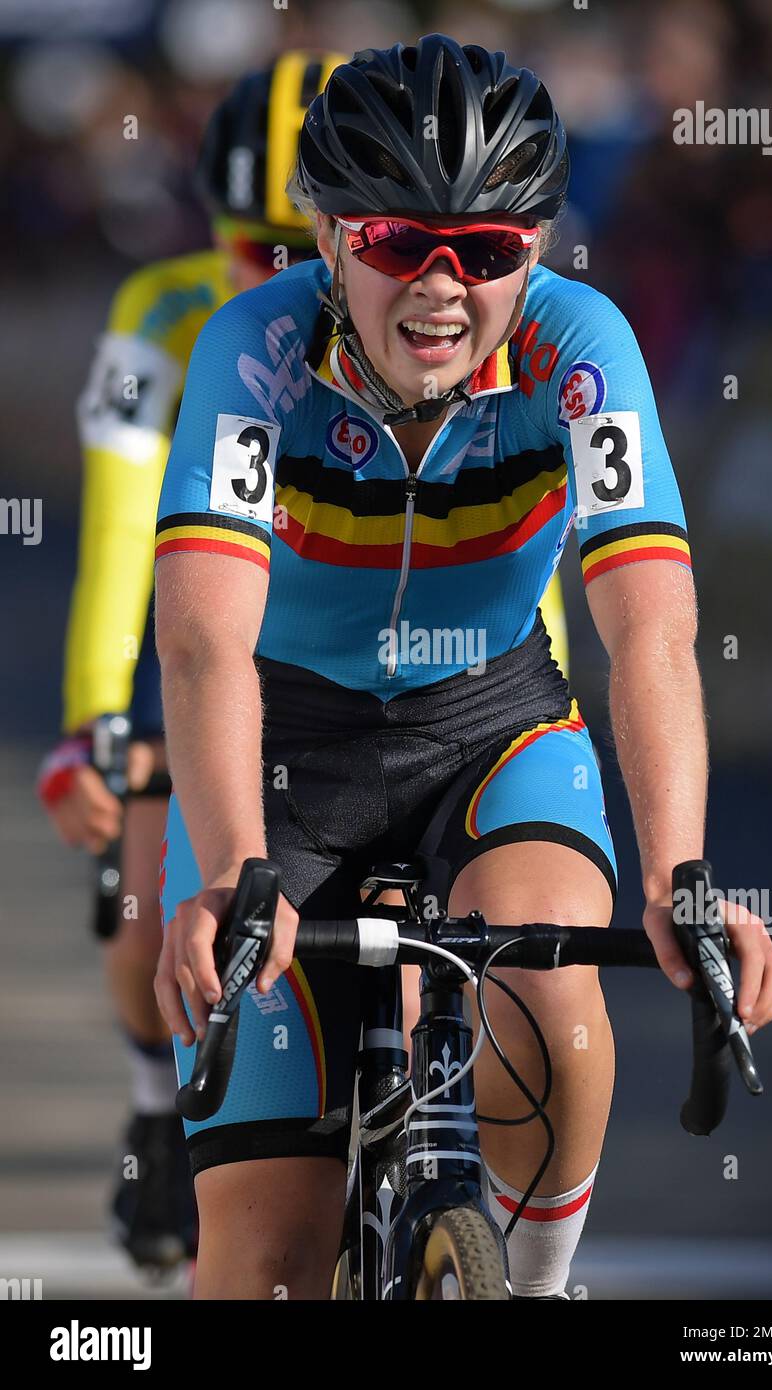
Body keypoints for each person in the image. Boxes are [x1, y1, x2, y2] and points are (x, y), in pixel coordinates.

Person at [154, 34, 772, 1300]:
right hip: (282, 749)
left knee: (556, 1000)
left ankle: (533, 1287)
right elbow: (203, 638)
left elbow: (650, 626)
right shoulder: (251, 351)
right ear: (329, 234)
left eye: (489, 252)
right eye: (399, 241)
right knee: (265, 1259)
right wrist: (232, 869)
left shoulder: (582, 348)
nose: (444, 286)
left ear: (535, 251)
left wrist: (678, 873)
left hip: (490, 722)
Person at [37, 50, 348, 1270]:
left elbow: (512, 560)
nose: (281, 275)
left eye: (305, 241)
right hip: (206, 641)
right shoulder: (162, 313)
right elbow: (118, 535)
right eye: (252, 244)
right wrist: (89, 721)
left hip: (366, 660)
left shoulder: (412, 313)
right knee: (139, 916)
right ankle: (164, 1118)